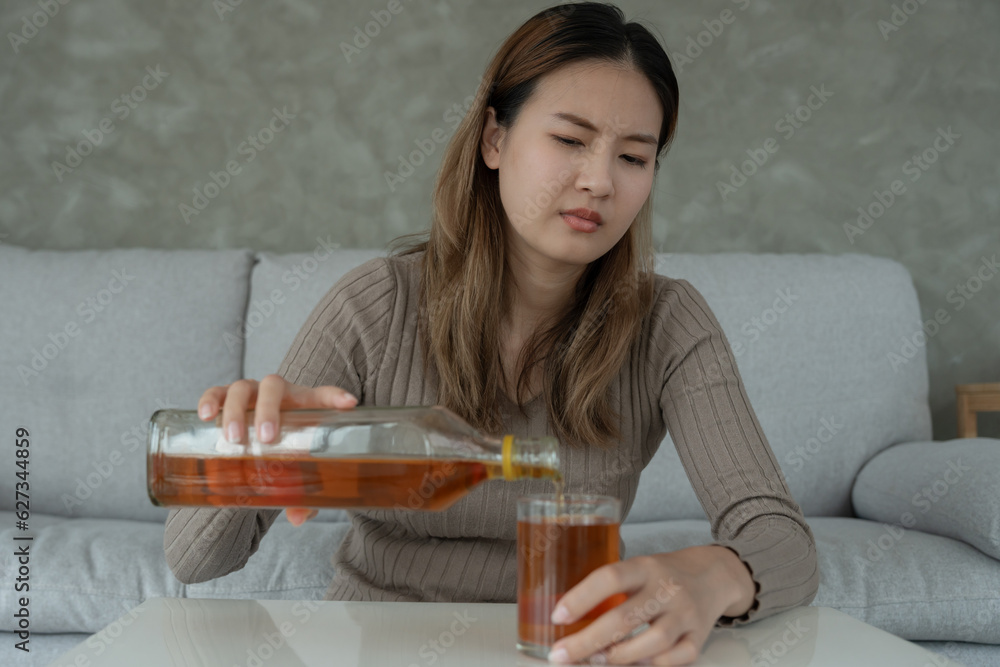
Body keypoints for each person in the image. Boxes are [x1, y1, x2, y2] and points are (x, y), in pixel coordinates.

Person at [163, 2, 819, 664]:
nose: (598, 180)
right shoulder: (377, 306)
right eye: (569, 140)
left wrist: (711, 576)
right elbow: (192, 559)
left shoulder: (667, 325)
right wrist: (253, 454)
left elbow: (782, 542)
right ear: (494, 141)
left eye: (632, 157)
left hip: (566, 649)